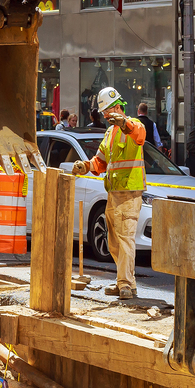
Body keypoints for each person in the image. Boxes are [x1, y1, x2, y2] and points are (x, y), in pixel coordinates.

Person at [71, 87, 145, 301]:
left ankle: (125, 284)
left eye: (106, 110)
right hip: (113, 192)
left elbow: (139, 134)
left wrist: (125, 123)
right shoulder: (110, 132)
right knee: (113, 240)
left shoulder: (133, 126)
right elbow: (101, 162)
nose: (103, 115)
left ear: (117, 107)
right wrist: (85, 166)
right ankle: (126, 281)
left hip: (129, 191)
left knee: (125, 239)